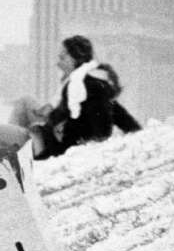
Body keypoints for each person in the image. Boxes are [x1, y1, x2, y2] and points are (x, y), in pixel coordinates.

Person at [7, 35, 140, 160]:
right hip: (45, 137)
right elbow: (123, 120)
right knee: (24, 102)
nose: (58, 62)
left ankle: (10, 160)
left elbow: (96, 133)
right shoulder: (87, 83)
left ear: (76, 59)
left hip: (44, 144)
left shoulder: (83, 85)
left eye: (63, 57)